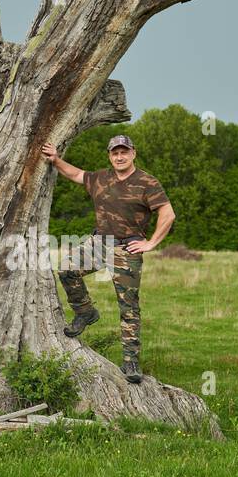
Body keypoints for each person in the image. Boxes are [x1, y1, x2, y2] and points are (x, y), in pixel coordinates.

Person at [40, 134, 176, 384]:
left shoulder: (147, 182)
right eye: (115, 152)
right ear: (110, 155)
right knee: (66, 269)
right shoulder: (101, 178)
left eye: (124, 151)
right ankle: (85, 312)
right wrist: (56, 160)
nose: (120, 156)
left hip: (127, 249)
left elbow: (167, 214)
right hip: (99, 243)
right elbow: (76, 175)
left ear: (133, 153)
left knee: (128, 306)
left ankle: (131, 361)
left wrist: (151, 243)